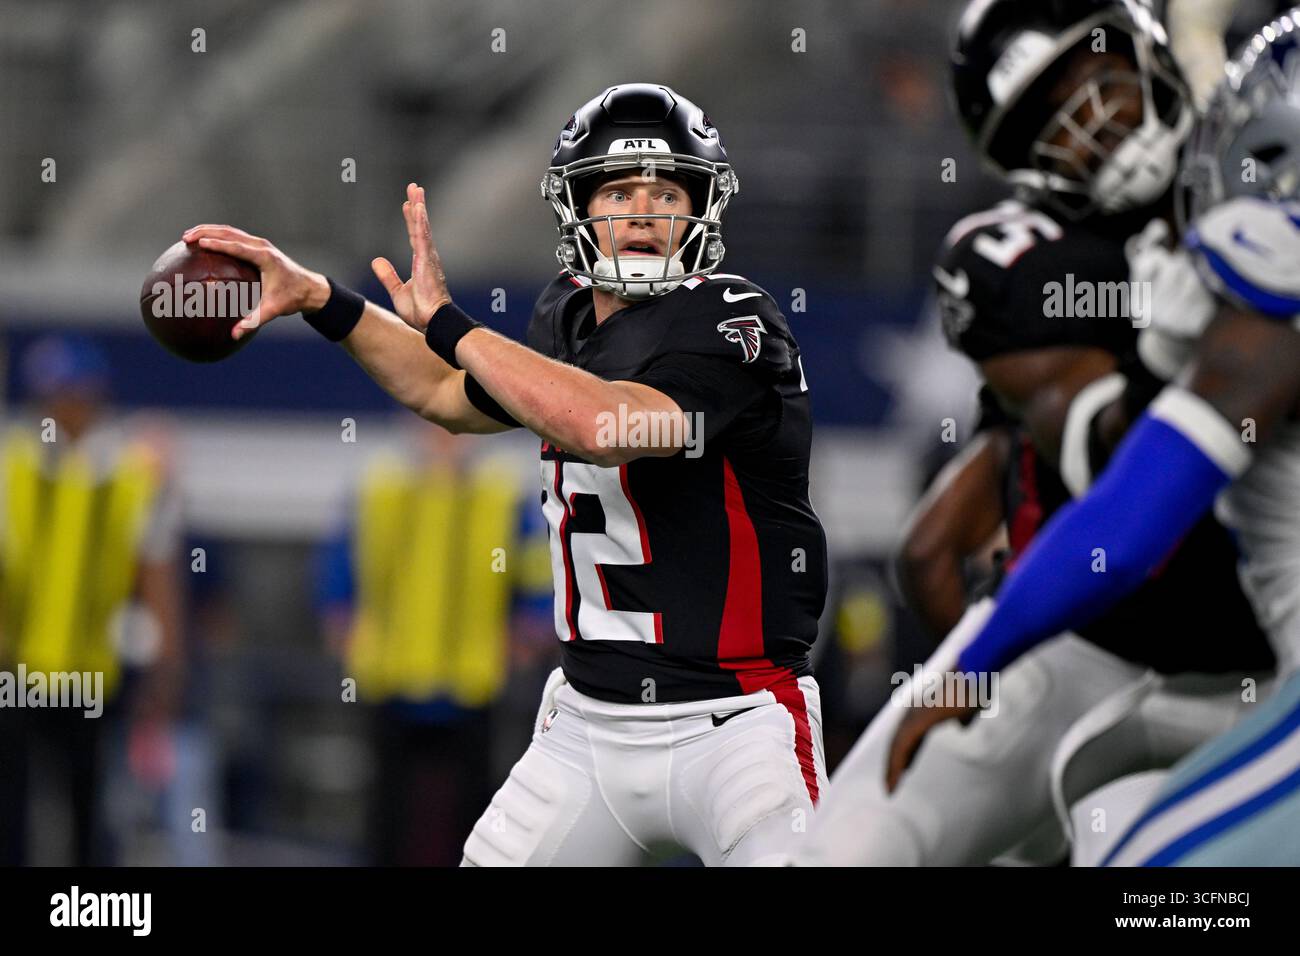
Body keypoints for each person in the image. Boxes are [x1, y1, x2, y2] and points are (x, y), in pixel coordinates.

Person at [182, 83, 829, 866]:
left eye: (667, 190)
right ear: (579, 208)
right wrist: (322, 299)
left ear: (702, 206)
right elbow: (444, 389)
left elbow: (607, 425)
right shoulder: (567, 317)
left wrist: (453, 325)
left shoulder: (734, 318)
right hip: (588, 725)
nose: (644, 210)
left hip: (738, 723)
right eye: (619, 190)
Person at [795, 0, 1271, 866]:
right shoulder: (1022, 260)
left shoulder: (1262, 177)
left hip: (1265, 667)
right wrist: (1166, 348)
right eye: (1050, 119)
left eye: (1096, 80)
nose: (1089, 123)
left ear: (1148, 56)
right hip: (1087, 639)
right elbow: (1114, 475)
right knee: (851, 850)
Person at [0, 335, 184, 864]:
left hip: (94, 673)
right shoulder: (16, 464)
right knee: (12, 812)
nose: (63, 408)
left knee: (90, 813)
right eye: (54, 396)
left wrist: (166, 669)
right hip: (19, 668)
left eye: (73, 395)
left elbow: (157, 576)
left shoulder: (132, 474)